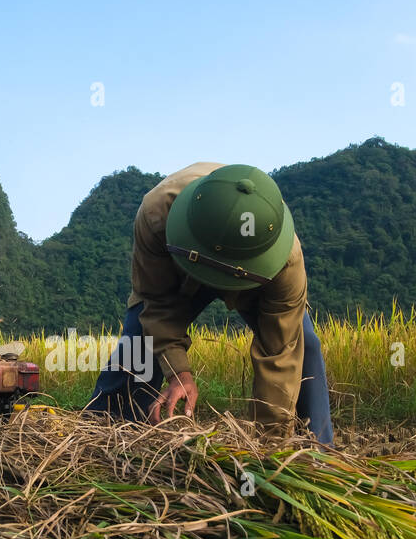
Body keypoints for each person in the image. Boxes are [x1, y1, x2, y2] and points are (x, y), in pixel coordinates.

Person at [86, 162, 334, 443]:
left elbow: (280, 353)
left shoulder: (286, 263)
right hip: (184, 268)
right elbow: (156, 302)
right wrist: (178, 372)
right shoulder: (157, 214)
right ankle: (103, 435)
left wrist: (270, 445)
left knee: (305, 346)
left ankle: (318, 453)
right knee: (138, 337)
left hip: (254, 280)